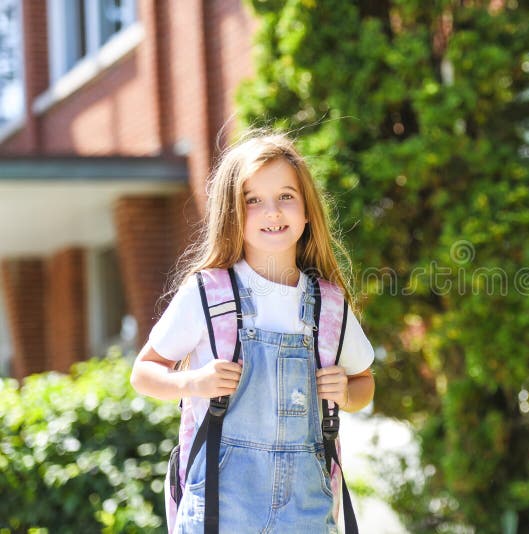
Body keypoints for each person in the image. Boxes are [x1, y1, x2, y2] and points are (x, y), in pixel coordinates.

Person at [129, 129, 375, 533]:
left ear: (308, 210)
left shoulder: (328, 306)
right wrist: (194, 382)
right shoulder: (208, 294)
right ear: (233, 214)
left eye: (286, 197)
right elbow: (144, 373)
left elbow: (364, 380)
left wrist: (347, 394)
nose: (272, 212)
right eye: (253, 200)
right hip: (221, 507)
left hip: (306, 508)